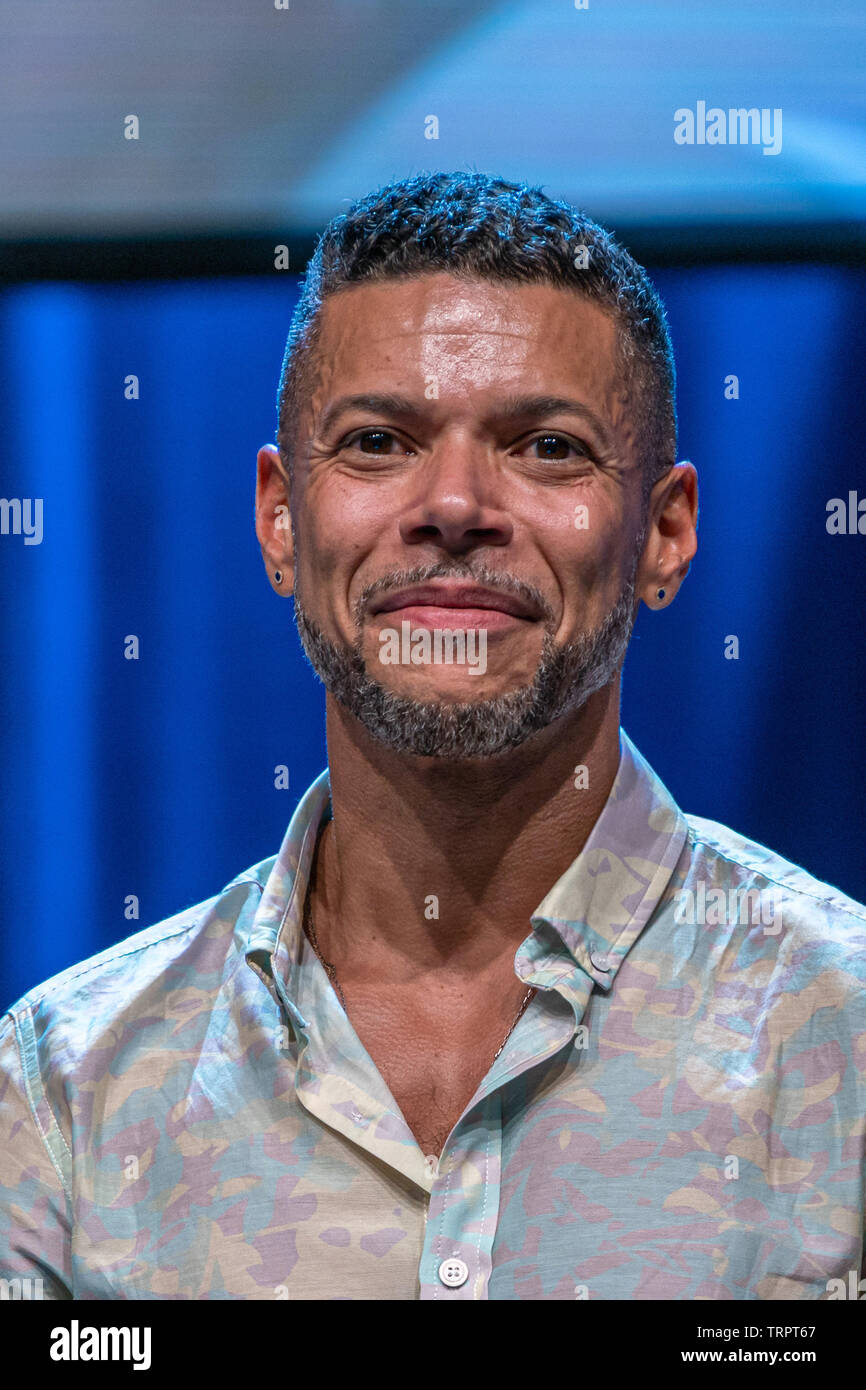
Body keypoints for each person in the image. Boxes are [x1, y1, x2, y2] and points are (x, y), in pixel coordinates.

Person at [1, 171, 864, 1302]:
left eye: (546, 447)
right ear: (278, 519)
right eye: (376, 441)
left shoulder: (842, 1042)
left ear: (663, 533)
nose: (453, 504)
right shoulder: (67, 1088)